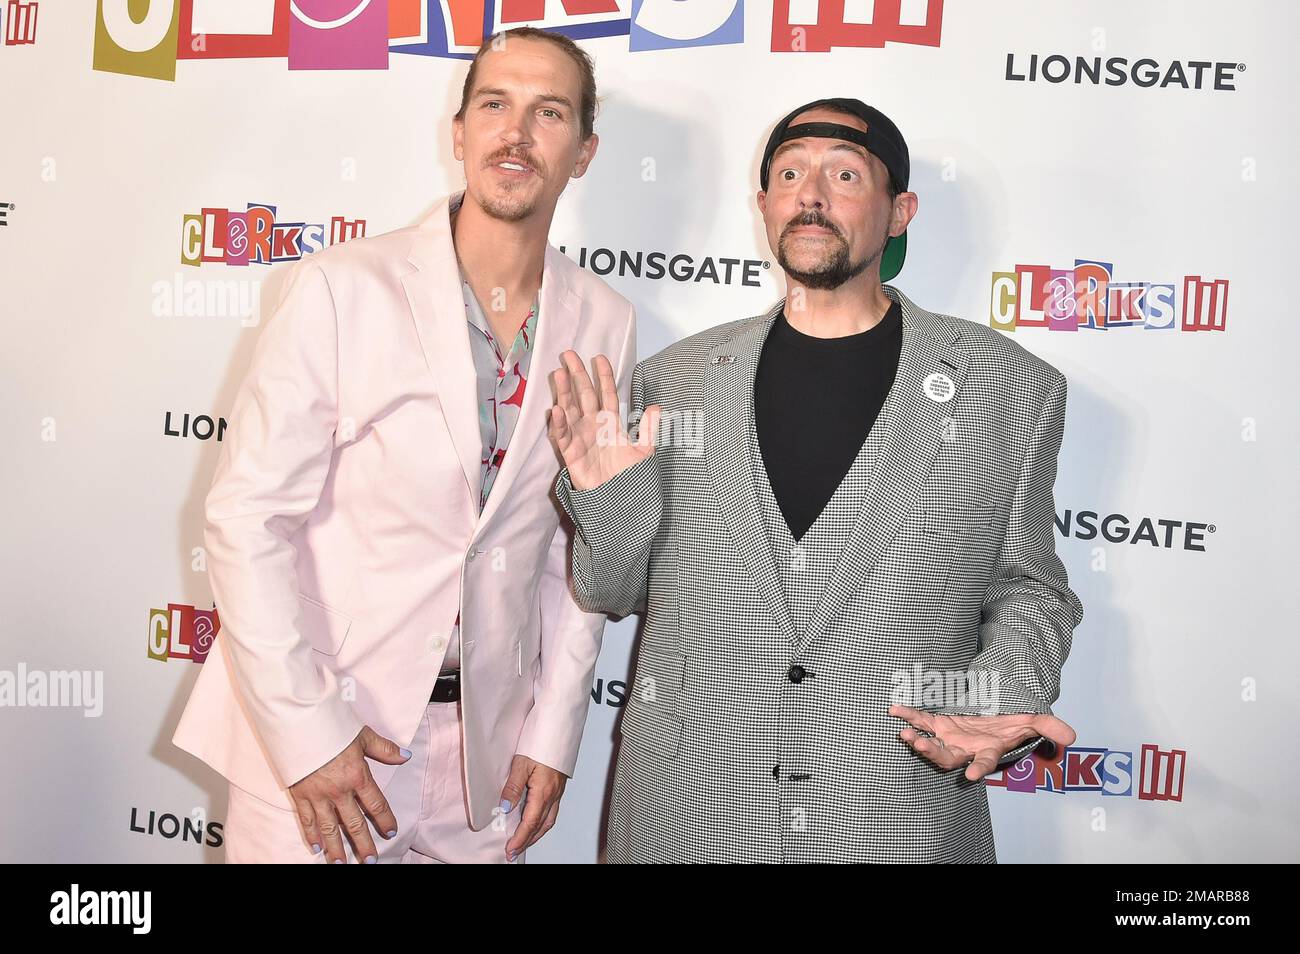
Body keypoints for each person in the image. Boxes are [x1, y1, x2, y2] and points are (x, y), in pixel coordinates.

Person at [546, 98, 1083, 862]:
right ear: (765, 206)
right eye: (790, 174)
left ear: (901, 211)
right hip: (692, 808)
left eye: (844, 174)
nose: (812, 194)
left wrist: (996, 696)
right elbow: (611, 591)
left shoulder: (1006, 388)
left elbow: (1030, 587)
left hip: (893, 808)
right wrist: (607, 495)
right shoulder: (675, 382)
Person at [173, 27, 636, 864]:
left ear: (585, 151)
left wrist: (555, 728)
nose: (516, 133)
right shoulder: (343, 286)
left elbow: (582, 545)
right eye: (494, 105)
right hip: (324, 737)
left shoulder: (606, 318)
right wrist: (308, 734)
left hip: (485, 763)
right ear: (458, 133)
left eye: (549, 112)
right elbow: (246, 521)